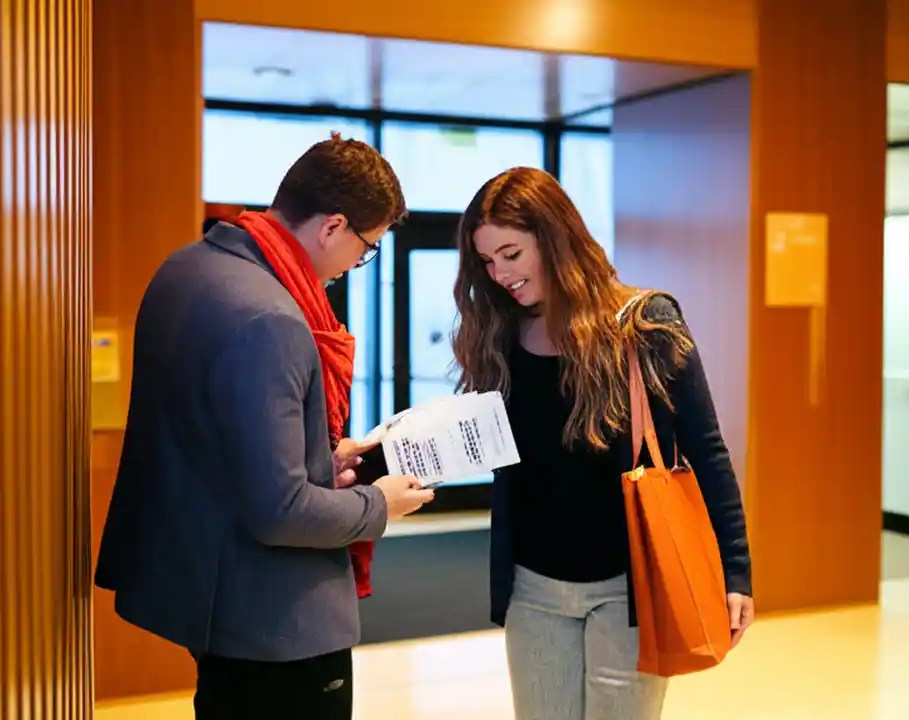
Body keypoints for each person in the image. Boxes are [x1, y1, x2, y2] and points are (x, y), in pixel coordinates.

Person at [94, 135, 435, 719]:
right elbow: (279, 509)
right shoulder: (272, 318)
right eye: (367, 247)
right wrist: (378, 503)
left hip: (204, 590)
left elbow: (215, 438)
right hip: (272, 618)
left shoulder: (188, 268)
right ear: (332, 227)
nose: (356, 265)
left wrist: (325, 458)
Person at [451, 167, 753, 720]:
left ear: (554, 236)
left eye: (512, 255)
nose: (500, 275)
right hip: (533, 590)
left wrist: (736, 572)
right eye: (488, 262)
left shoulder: (645, 322)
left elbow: (706, 448)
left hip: (629, 590)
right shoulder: (501, 333)